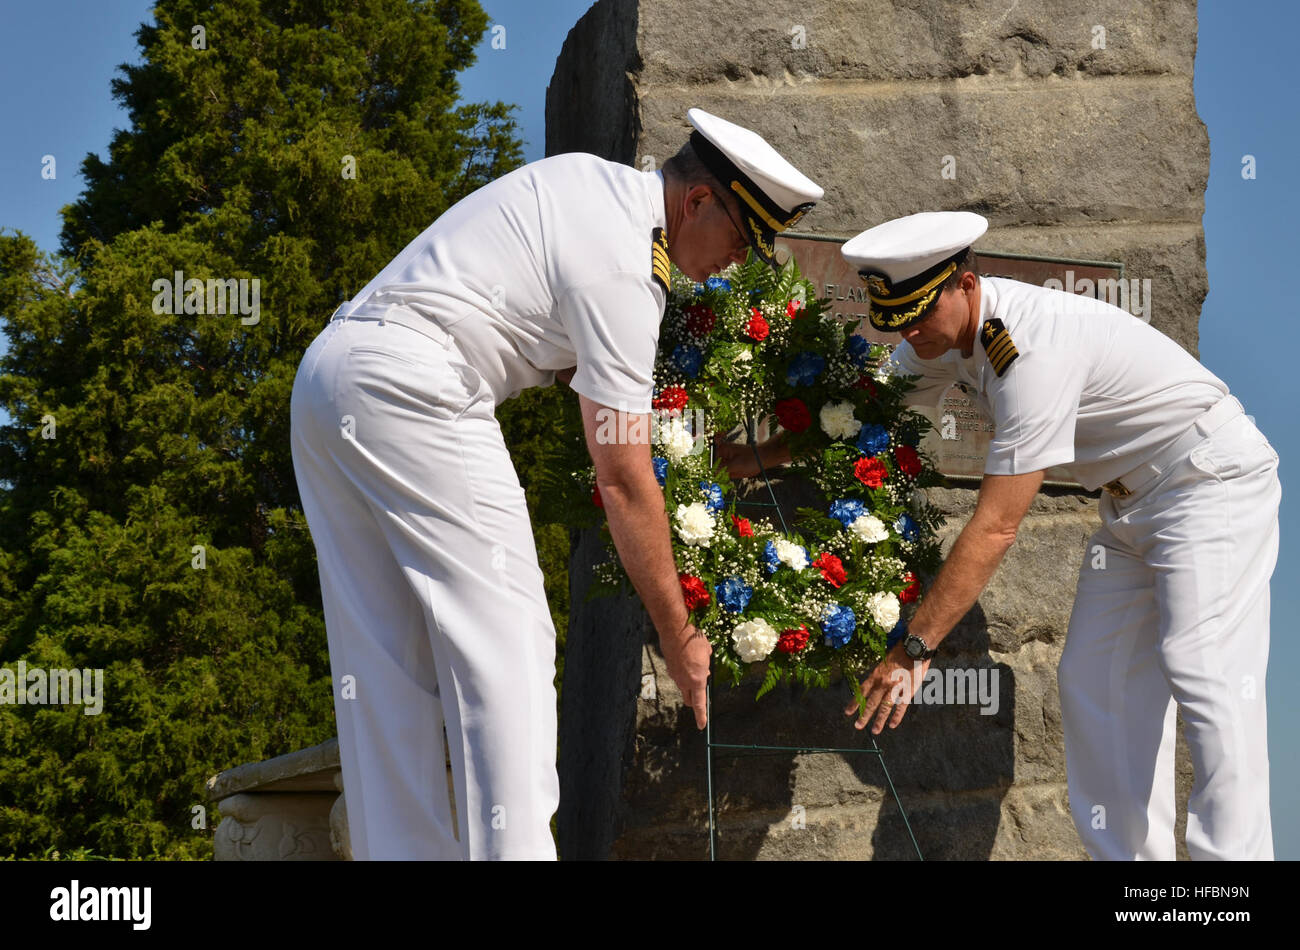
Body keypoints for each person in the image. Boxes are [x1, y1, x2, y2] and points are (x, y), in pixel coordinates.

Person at [288, 108, 823, 860]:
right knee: (507, 641)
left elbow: (563, 352)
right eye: (739, 241)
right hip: (417, 387)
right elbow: (623, 478)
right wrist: (677, 632)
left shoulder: (587, 181)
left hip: (329, 381)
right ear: (698, 203)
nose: (734, 265)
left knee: (384, 666)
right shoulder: (629, 267)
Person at [810, 210, 1278, 861]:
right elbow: (867, 411)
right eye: (897, 320)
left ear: (965, 284)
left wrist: (915, 649)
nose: (910, 333)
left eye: (918, 314)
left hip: (1208, 483)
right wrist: (755, 455)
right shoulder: (943, 338)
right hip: (1130, 506)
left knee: (1206, 674)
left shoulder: (1028, 348)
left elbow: (998, 526)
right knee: (1093, 681)